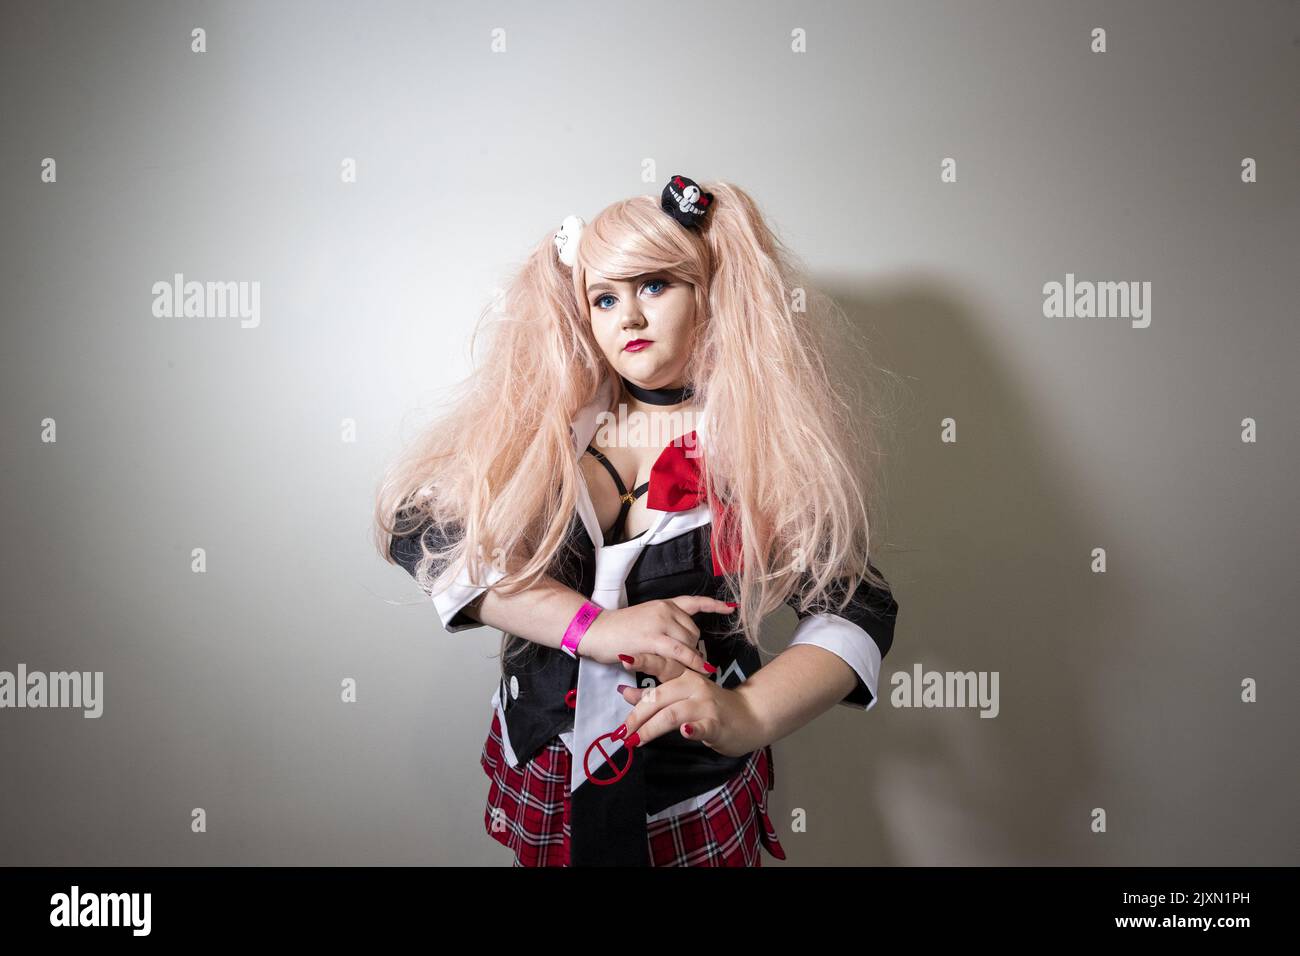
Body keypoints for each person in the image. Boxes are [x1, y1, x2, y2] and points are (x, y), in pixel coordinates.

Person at [374, 175, 900, 866]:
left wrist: (746, 716)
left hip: (682, 789)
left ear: (709, 292)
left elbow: (858, 609)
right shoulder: (545, 428)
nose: (629, 317)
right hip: (549, 759)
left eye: (654, 285)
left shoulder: (760, 453)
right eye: (605, 296)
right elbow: (417, 530)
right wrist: (592, 628)